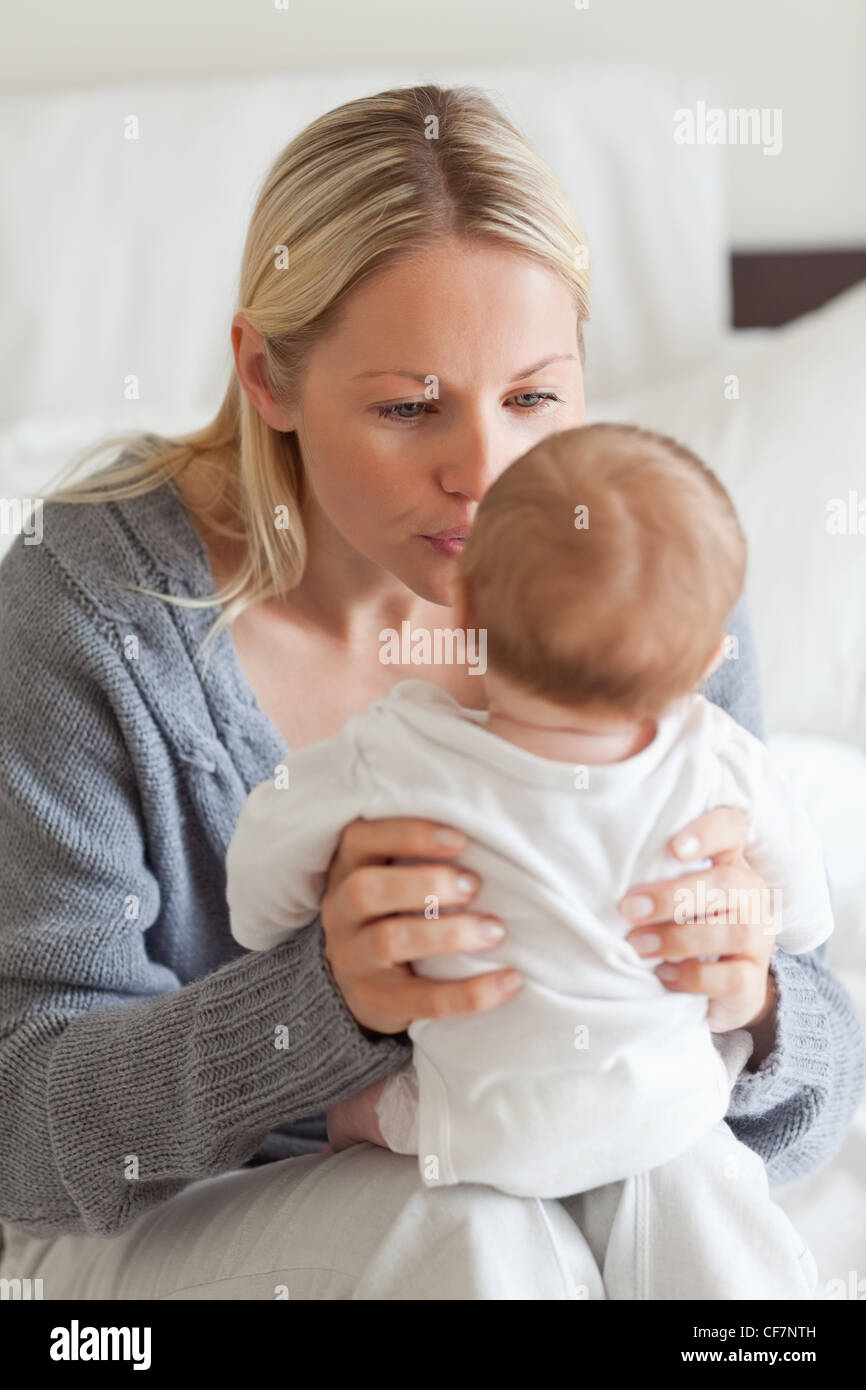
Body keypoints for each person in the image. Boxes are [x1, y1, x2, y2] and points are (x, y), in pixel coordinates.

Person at [0, 85, 862, 1301]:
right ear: (267, 376)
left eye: (532, 397)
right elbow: (24, 1126)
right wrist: (319, 1004)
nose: (486, 475)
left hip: (528, 1152)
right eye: (409, 407)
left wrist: (758, 1002)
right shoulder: (97, 612)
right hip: (163, 1219)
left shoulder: (635, 570)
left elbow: (813, 1070)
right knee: (477, 1234)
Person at [224, 423, 830, 1298]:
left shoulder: (400, 749)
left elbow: (259, 871)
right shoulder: (716, 758)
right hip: (668, 1110)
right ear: (705, 660)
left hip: (481, 1130)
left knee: (377, 1116)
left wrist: (275, 918)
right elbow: (804, 913)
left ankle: (373, 1120)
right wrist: (766, 946)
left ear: (463, 613)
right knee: (721, 1221)